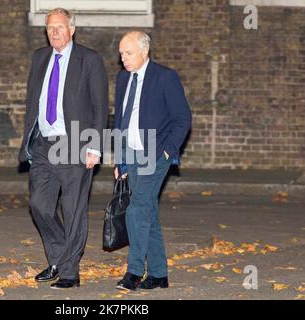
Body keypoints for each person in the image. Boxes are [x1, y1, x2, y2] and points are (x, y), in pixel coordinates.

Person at [18, 8, 108, 289]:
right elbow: (34, 101)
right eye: (49, 28)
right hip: (44, 144)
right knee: (39, 205)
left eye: (59, 27)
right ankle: (59, 256)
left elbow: (100, 106)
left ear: (72, 29)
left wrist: (95, 146)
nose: (54, 32)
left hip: (75, 144)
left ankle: (70, 272)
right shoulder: (40, 58)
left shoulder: (89, 60)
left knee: (73, 210)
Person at [114, 31, 192, 291]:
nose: (123, 58)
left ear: (144, 51)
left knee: (136, 210)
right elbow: (120, 120)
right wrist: (120, 159)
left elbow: (183, 118)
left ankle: (134, 272)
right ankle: (159, 273)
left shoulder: (165, 77)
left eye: (128, 53)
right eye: (121, 53)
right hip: (132, 154)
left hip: (155, 153)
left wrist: (168, 152)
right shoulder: (123, 77)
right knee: (147, 212)